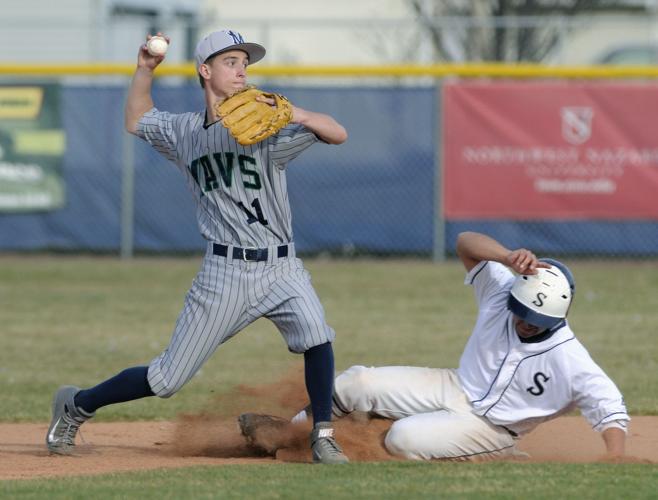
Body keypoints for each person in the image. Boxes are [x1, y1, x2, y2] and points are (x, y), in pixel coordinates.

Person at [46, 29, 349, 464]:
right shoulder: (184, 132)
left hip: (282, 266)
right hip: (224, 273)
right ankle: (77, 404)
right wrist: (144, 70)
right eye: (230, 62)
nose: (242, 69)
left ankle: (323, 434)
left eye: (245, 62)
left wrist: (294, 112)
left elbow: (337, 133)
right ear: (205, 71)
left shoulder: (264, 128)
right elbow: (136, 118)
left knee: (317, 336)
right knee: (167, 379)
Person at [245, 231, 629, 461]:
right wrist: (506, 256)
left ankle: (494, 456)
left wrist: (614, 459)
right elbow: (465, 242)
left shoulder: (571, 359)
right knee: (356, 383)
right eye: (522, 312)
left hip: (492, 429)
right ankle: (292, 431)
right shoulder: (501, 290)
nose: (526, 323)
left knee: (403, 439)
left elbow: (610, 409)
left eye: (536, 320)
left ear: (558, 317)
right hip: (454, 384)